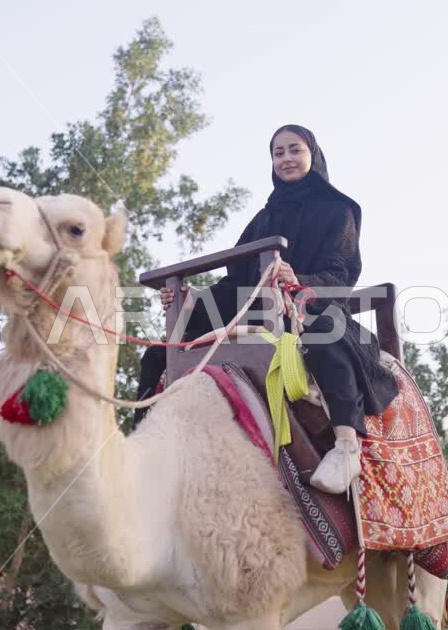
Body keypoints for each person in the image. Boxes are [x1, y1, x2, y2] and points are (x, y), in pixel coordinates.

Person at [136, 124, 398, 495]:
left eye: (295, 150)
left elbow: (341, 271)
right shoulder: (264, 218)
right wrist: (190, 298)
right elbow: (236, 281)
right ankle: (140, 449)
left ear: (313, 155)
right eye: (278, 153)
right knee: (159, 355)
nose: (286, 158)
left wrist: (298, 278)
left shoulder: (339, 209)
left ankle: (346, 446)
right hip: (260, 311)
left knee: (325, 337)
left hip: (313, 305)